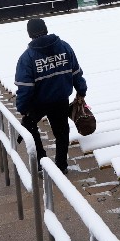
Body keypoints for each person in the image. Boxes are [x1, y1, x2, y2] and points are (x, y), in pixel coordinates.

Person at [15, 17, 88, 169]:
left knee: (29, 127)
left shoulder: (27, 58)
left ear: (29, 34)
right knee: (62, 134)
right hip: (60, 100)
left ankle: (41, 160)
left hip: (38, 103)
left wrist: (22, 108)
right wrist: (81, 91)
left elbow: (25, 88)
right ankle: (61, 166)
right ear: (46, 29)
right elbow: (76, 73)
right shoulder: (64, 47)